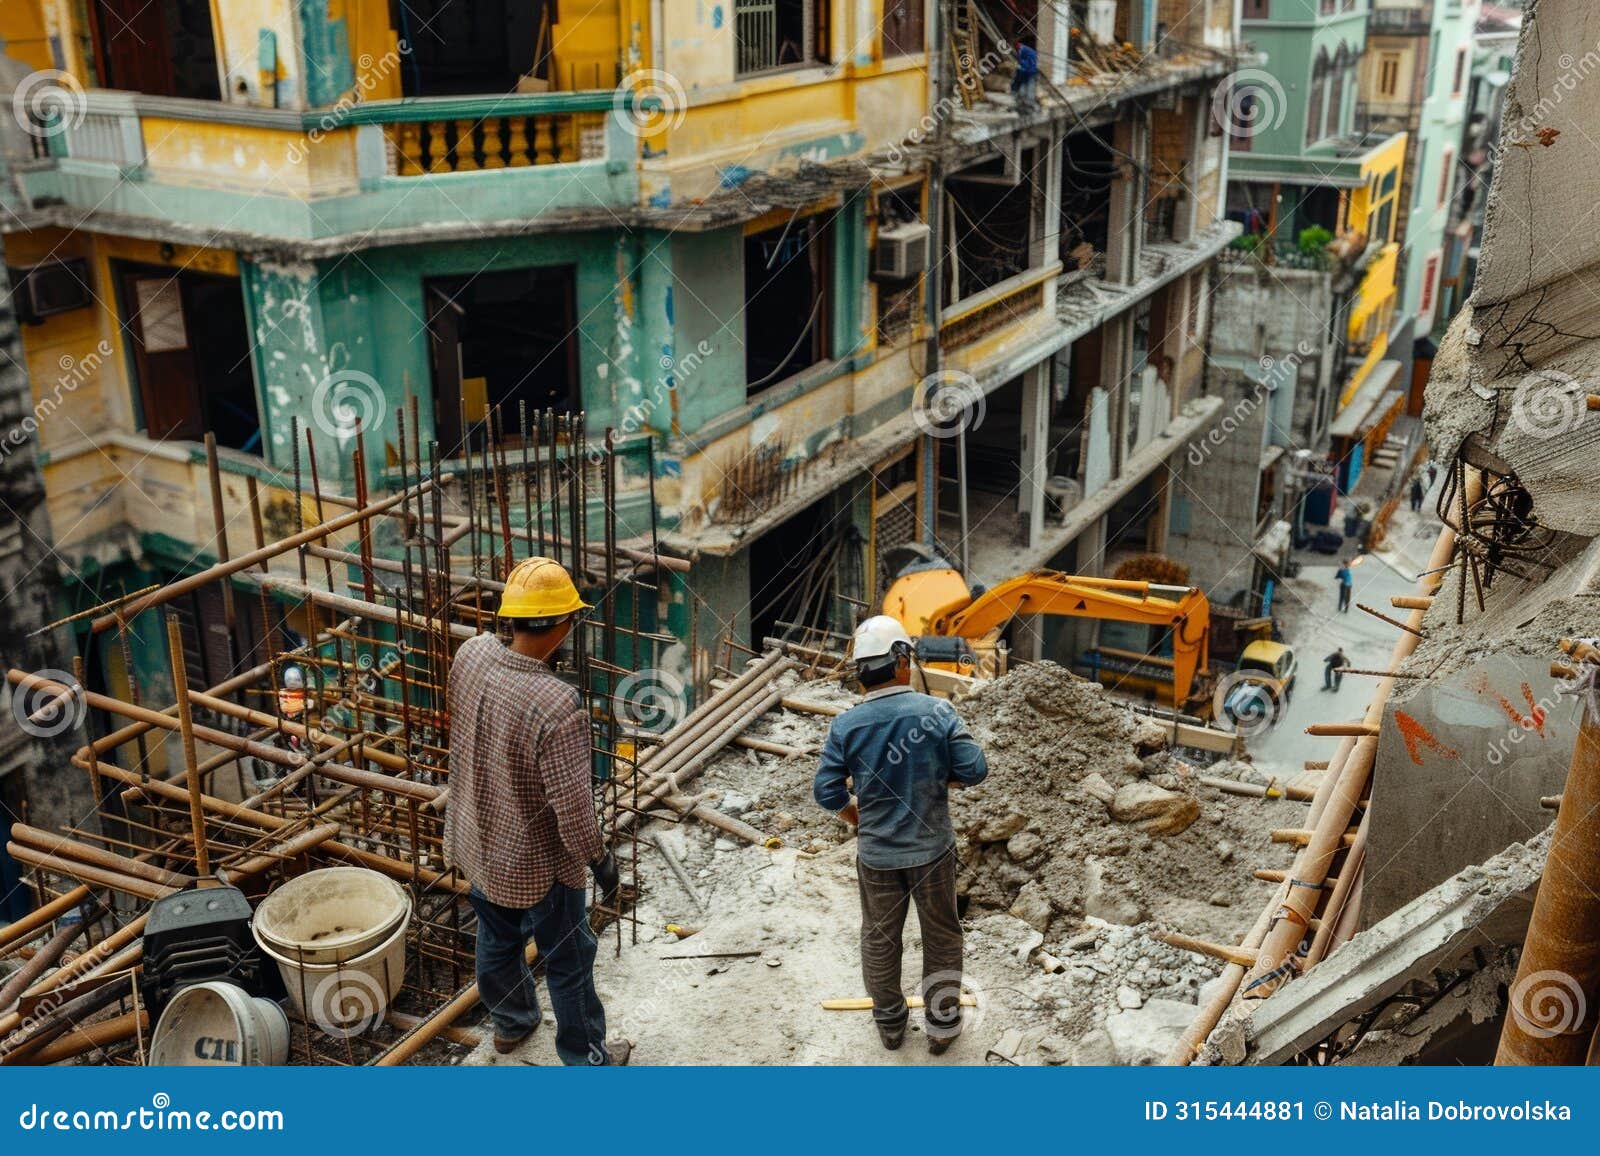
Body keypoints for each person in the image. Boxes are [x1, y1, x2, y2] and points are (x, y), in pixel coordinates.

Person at [444, 556, 628, 1064]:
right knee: (569, 959)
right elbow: (572, 812)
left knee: (497, 937)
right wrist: (600, 860)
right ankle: (588, 1058)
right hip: (536, 863)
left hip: (477, 837)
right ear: (563, 625)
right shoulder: (555, 703)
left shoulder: (472, 653)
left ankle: (511, 1024)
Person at [814, 616, 989, 1055]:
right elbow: (976, 769)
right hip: (932, 851)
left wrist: (858, 818)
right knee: (942, 935)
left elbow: (826, 791)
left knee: (879, 938)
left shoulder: (846, 726)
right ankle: (942, 1027)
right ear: (900, 660)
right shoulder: (937, 712)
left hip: (877, 855)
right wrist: (937, 777)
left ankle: (891, 1026)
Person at [1010, 40, 1039, 113]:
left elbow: (1029, 63)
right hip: (1025, 71)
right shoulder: (1023, 50)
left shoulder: (1025, 51)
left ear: (1017, 46)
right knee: (1023, 87)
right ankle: (1024, 103)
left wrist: (1021, 66)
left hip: (1029, 72)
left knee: (1029, 87)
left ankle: (1029, 104)